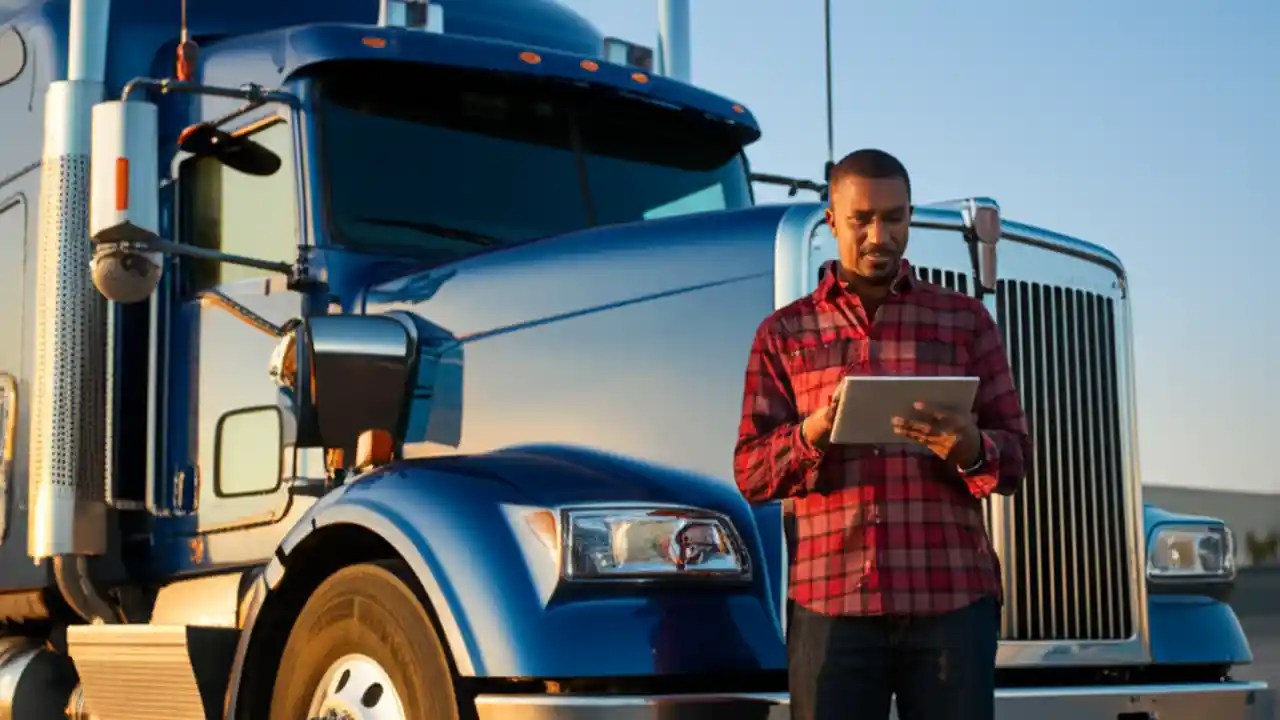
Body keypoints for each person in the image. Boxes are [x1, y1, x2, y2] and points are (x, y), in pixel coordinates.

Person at [732, 148, 1031, 720]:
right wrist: (815, 431)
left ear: (910, 216)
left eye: (894, 219)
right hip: (831, 606)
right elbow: (750, 472)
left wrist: (971, 449)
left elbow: (1015, 459)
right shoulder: (784, 334)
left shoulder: (966, 321)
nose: (880, 235)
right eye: (861, 219)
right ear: (831, 220)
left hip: (952, 604)